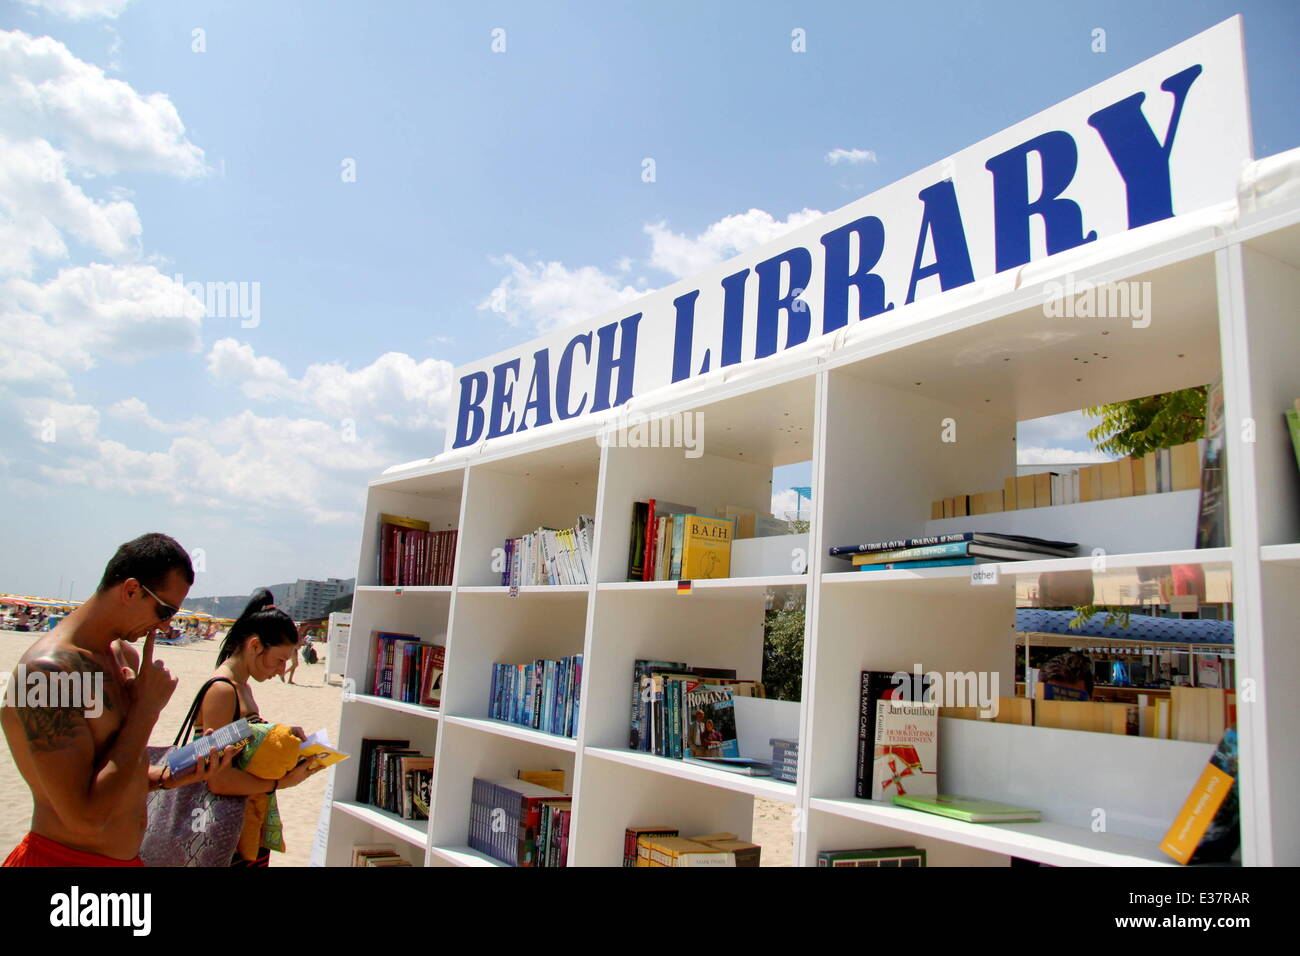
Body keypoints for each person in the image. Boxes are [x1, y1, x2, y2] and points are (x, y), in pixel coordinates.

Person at [0, 533, 236, 867]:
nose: (167, 625)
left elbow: (109, 769)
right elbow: (83, 817)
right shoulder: (48, 674)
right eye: (165, 609)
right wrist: (146, 710)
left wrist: (166, 777)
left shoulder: (122, 656)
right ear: (130, 590)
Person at [193, 589, 324, 866]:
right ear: (254, 645)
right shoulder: (222, 690)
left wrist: (281, 737)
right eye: (279, 660)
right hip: (222, 829)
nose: (280, 670)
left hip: (241, 825)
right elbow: (217, 778)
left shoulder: (241, 687)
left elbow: (241, 748)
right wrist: (280, 782)